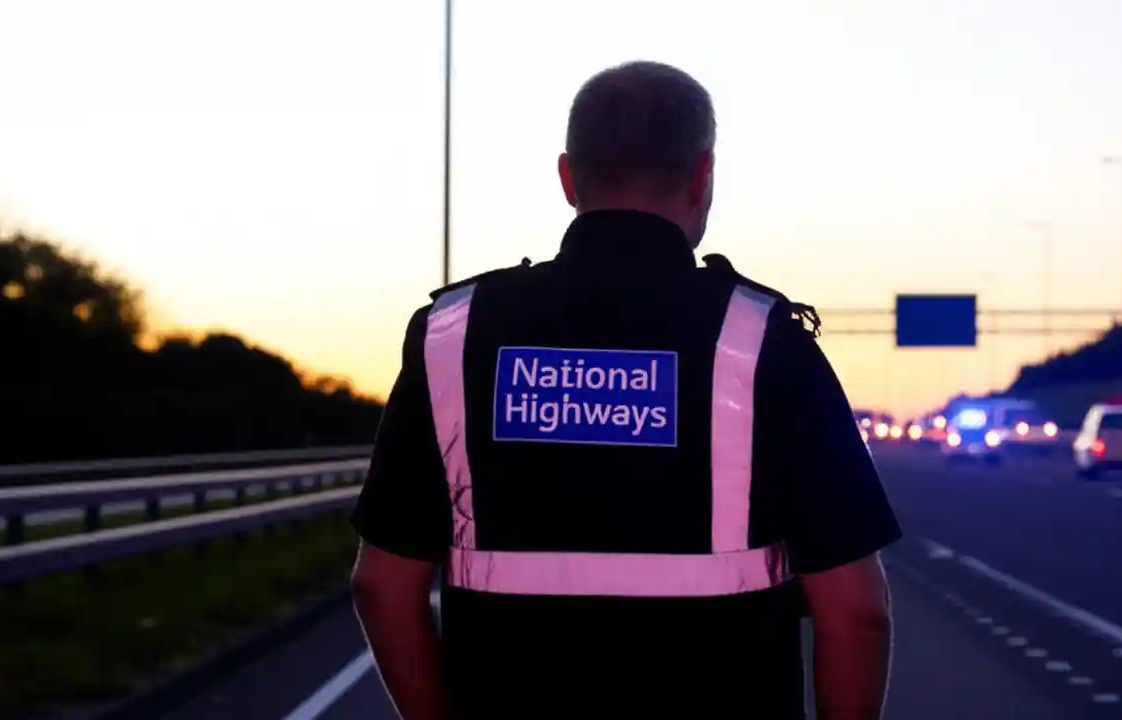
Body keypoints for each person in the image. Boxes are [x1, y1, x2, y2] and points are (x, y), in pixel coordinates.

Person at [350, 60, 901, 720]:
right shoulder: (764, 342)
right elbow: (856, 614)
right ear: (703, 177)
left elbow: (382, 586)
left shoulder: (453, 338)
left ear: (567, 177)